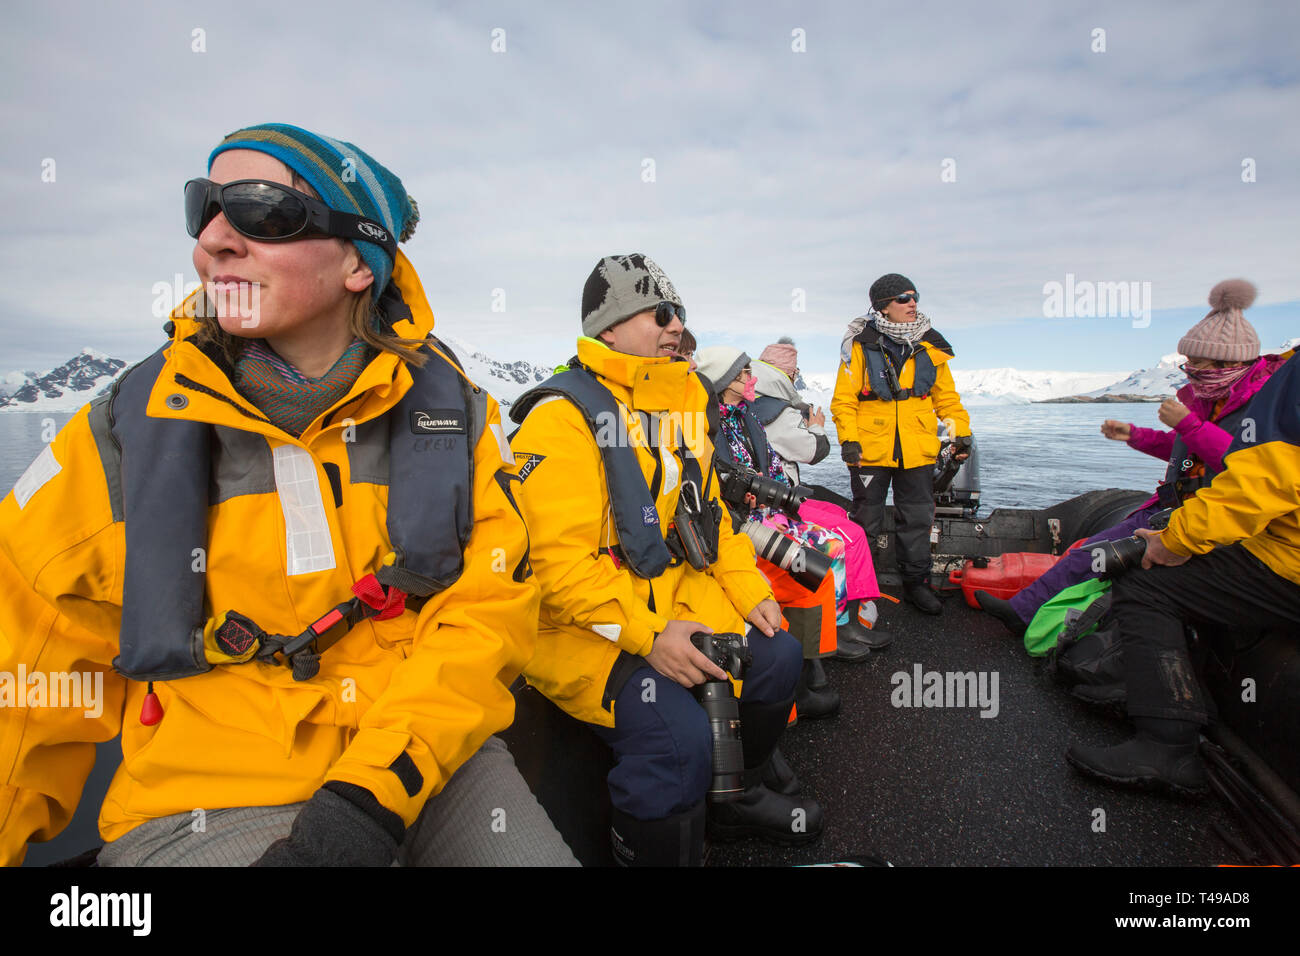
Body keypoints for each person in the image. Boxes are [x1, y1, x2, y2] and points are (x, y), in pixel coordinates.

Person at [0, 124, 576, 867]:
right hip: (203, 797)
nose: (212, 241)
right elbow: (28, 672)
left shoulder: (456, 415)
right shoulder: (117, 435)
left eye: (261, 211)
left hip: (428, 759)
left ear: (359, 265)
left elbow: (489, 610)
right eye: (203, 208)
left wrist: (372, 793)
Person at [507, 254, 818, 865]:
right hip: (580, 625)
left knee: (779, 653)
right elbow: (557, 573)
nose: (676, 326)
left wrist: (748, 589)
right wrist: (651, 638)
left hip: (670, 596)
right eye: (660, 313)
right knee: (672, 737)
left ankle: (734, 801)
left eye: (679, 313)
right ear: (609, 330)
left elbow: (714, 523)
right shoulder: (558, 422)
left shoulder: (680, 409)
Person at [976, 280, 1284, 638]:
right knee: (1085, 554)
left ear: (1227, 361)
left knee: (1107, 563)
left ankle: (1042, 619)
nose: (1190, 374)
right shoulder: (1211, 397)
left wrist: (1189, 424)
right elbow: (1185, 450)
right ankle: (1022, 610)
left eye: (1197, 365)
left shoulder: (1267, 405)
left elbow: (1246, 463)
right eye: (1187, 365)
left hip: (1217, 517)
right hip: (1176, 504)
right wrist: (1135, 436)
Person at [1065, 344, 1300, 795]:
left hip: (1285, 557)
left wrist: (1177, 542)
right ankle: (1172, 697)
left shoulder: (1277, 383)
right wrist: (1136, 435)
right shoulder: (1259, 382)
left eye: (1207, 364)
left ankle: (1167, 747)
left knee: (1147, 582)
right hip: (1264, 535)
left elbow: (1260, 477)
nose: (1197, 372)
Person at [695, 346, 867, 722]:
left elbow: (770, 466)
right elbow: (725, 491)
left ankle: (811, 665)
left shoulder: (746, 418)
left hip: (768, 516)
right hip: (741, 529)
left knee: (819, 565)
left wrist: (784, 503)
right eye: (743, 374)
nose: (751, 379)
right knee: (809, 564)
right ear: (724, 382)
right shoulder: (708, 428)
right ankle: (791, 695)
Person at [831, 273, 971, 615]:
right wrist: (849, 441)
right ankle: (858, 589)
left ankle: (917, 586)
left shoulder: (931, 346)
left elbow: (947, 401)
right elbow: (843, 401)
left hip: (917, 451)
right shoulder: (860, 345)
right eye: (903, 298)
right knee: (866, 521)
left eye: (914, 297)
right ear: (883, 307)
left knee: (917, 521)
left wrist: (959, 432)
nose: (913, 303)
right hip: (869, 451)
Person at [754, 337, 891, 658]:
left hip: (779, 496)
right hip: (774, 504)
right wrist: (816, 427)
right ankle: (843, 624)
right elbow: (814, 451)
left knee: (837, 512)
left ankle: (853, 613)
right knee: (851, 533)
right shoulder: (779, 412)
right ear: (788, 373)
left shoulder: (754, 406)